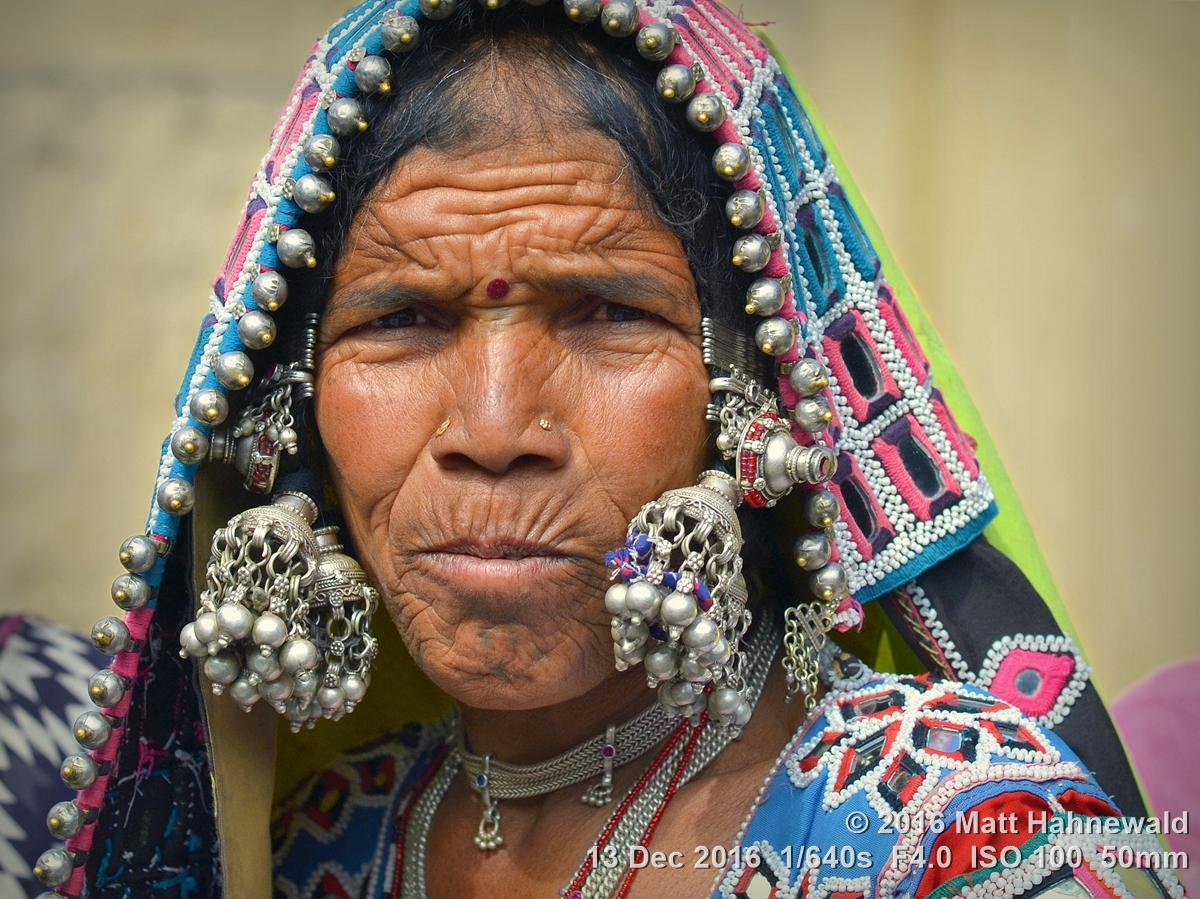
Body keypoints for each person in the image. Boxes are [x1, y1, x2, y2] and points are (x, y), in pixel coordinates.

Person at [29, 2, 1183, 899]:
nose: (491, 430)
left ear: (756, 392)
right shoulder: (320, 845)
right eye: (401, 320)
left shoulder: (960, 833)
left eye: (605, 314)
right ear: (289, 414)